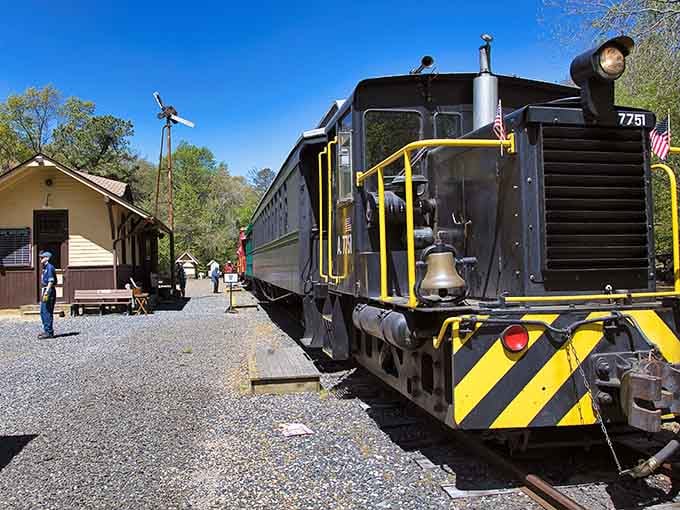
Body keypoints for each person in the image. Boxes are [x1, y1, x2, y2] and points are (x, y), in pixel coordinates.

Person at [39, 251, 57, 339]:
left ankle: (49, 332)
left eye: (42, 257)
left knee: (47, 311)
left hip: (48, 291)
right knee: (43, 311)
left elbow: (51, 281)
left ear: (47, 258)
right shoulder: (45, 267)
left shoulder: (49, 267)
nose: (40, 259)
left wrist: (46, 292)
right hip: (46, 290)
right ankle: (46, 330)